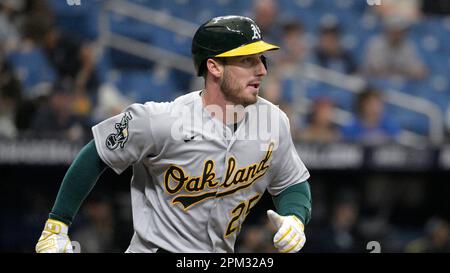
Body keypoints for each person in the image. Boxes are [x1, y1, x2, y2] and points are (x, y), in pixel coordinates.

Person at [35, 15, 312, 253]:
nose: (262, 70)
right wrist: (57, 225)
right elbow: (97, 153)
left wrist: (294, 218)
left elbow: (290, 182)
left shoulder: (273, 121)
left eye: (262, 59)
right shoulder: (162, 120)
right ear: (214, 66)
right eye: (248, 60)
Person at [362, 17, 427, 81]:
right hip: (377, 83)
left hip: (403, 84)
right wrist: (405, 71)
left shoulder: (408, 44)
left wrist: (402, 71)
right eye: (396, 30)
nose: (400, 34)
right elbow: (377, 70)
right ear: (388, 30)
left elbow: (419, 71)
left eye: (402, 31)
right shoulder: (376, 43)